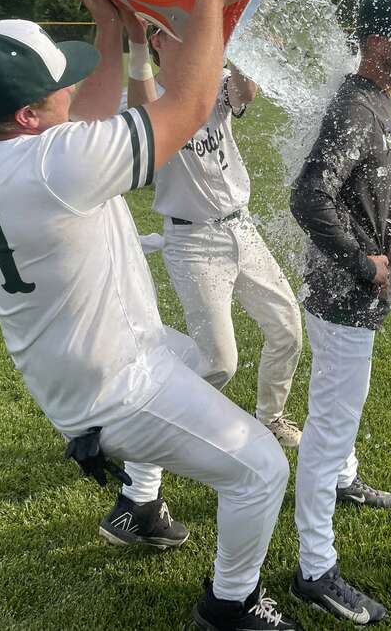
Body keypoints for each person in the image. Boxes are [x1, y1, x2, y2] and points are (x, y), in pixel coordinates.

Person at [0, 0, 299, 631]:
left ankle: (137, 505)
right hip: (115, 382)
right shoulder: (55, 163)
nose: (73, 93)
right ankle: (231, 604)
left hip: (91, 361)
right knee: (260, 469)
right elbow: (192, 103)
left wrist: (116, 35)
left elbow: (85, 113)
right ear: (28, 116)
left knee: (208, 362)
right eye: (59, 88)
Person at [288, 0, 391, 623]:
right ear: (382, 41)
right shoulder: (358, 107)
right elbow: (309, 196)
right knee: (327, 430)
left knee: (340, 418)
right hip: (343, 296)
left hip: (347, 297)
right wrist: (365, 263)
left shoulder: (372, 99)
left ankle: (342, 478)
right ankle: (314, 569)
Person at [122, 22, 303, 448]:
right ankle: (152, 424)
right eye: (178, 32)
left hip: (241, 227)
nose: (194, 41)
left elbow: (245, 94)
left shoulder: (212, 83)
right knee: (219, 362)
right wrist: (133, 43)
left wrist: (239, 46)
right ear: (158, 41)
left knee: (287, 328)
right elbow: (145, 123)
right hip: (194, 243)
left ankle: (271, 418)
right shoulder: (146, 94)